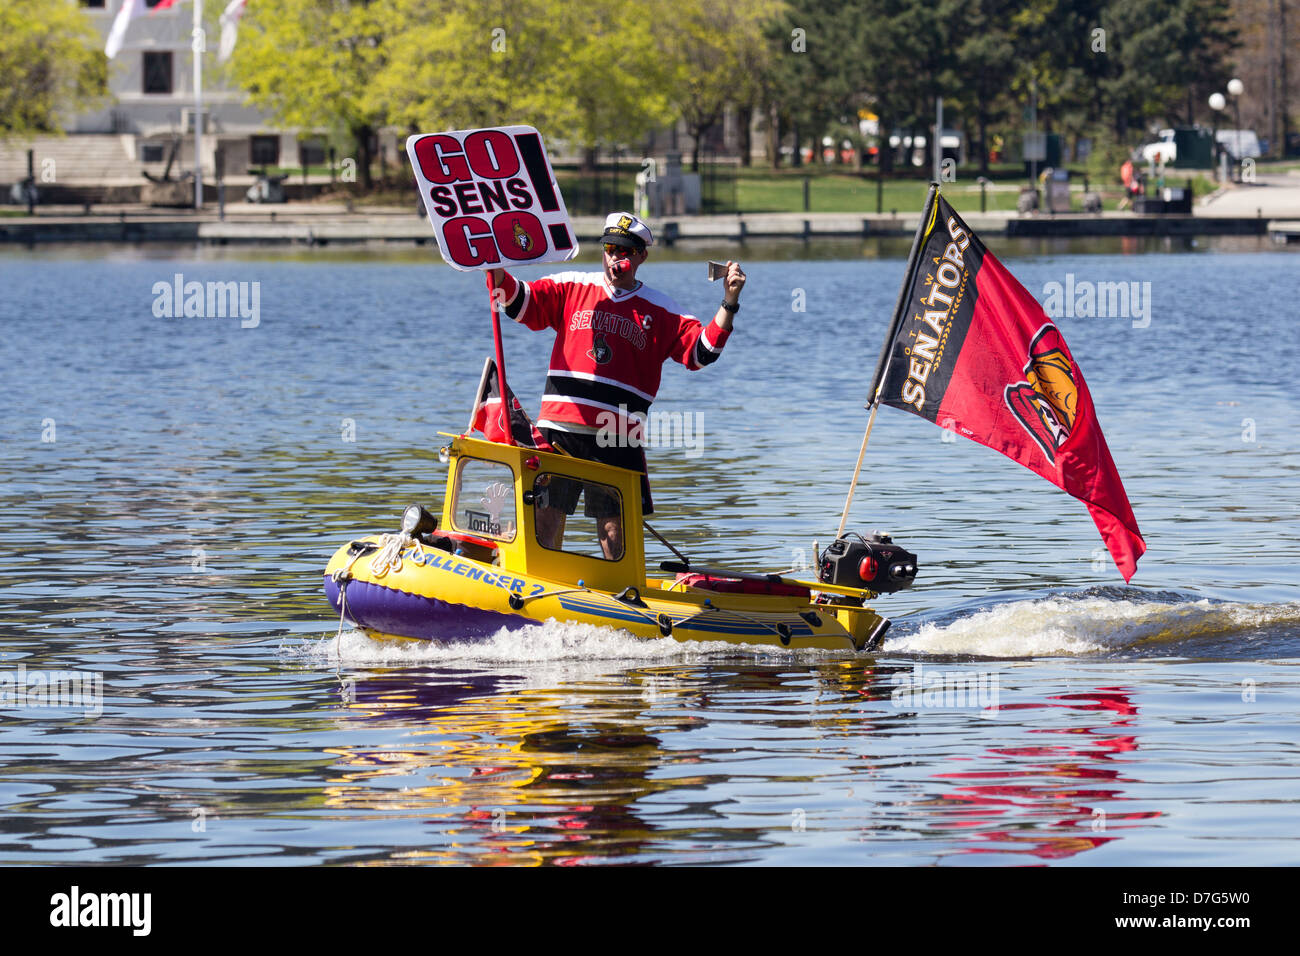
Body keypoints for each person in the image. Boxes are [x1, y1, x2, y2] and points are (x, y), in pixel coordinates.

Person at [486, 211, 745, 559]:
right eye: (609, 248)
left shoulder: (662, 309)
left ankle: (621, 600)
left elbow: (702, 352)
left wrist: (729, 301)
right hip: (559, 429)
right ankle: (539, 591)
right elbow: (518, 301)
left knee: (615, 535)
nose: (615, 258)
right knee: (545, 521)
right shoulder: (571, 285)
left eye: (624, 251)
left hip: (617, 435)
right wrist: (492, 263)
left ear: (641, 256)